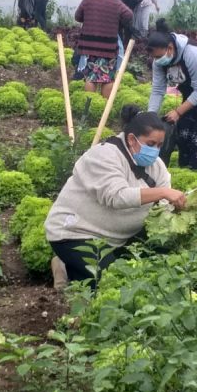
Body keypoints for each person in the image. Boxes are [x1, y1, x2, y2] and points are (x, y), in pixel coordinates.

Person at [45, 105, 186, 287]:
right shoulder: (104, 155)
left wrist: (177, 209)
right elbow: (116, 197)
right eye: (150, 144)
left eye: (159, 145)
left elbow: (164, 203)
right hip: (76, 233)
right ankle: (66, 266)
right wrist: (163, 192)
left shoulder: (156, 165)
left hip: (117, 238)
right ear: (132, 139)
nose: (155, 150)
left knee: (160, 251)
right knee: (106, 284)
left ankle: (72, 266)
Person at [147, 20, 197, 171]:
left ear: (170, 48)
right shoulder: (158, 62)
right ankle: (184, 170)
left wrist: (178, 112)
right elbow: (157, 90)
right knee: (182, 136)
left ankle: (196, 175)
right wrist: (150, 116)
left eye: (158, 57)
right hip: (190, 95)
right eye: (154, 58)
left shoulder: (192, 53)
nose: (156, 61)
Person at [74, 0, 133, 98]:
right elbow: (129, 15)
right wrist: (117, 22)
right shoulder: (115, 2)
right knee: (108, 78)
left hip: (89, 46)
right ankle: (104, 107)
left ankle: (89, 104)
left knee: (90, 77)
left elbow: (78, 16)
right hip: (108, 47)